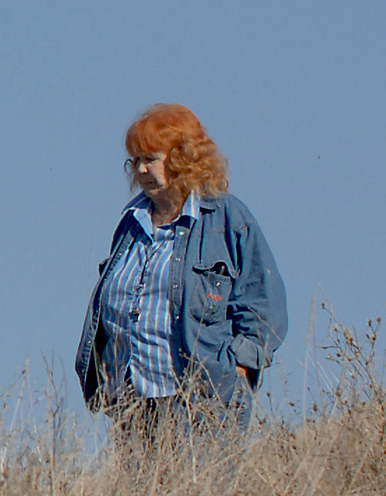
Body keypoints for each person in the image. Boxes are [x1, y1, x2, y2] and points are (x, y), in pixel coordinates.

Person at [75, 102, 286, 435]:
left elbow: (262, 304)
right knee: (143, 489)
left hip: (203, 402)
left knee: (203, 487)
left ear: (182, 160)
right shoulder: (131, 224)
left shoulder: (227, 218)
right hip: (134, 404)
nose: (141, 170)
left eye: (151, 160)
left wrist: (239, 369)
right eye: (136, 161)